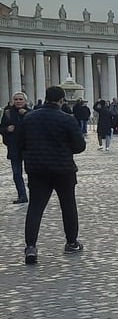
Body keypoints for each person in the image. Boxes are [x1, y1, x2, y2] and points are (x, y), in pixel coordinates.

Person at [19, 86, 87, 264]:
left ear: (46, 98)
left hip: (37, 169)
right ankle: (71, 242)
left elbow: (19, 144)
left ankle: (31, 247)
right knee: (68, 205)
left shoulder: (29, 118)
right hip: (63, 169)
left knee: (35, 208)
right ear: (62, 100)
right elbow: (80, 146)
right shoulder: (67, 119)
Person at [2, 91, 30, 204]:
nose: (18, 101)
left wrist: (26, 114)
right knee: (16, 174)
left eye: (20, 99)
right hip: (14, 147)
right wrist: (6, 130)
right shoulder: (8, 113)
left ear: (25, 101)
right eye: (16, 99)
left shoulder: (31, 113)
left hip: (28, 148)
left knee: (32, 173)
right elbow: (1, 128)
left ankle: (35, 194)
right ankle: (22, 195)